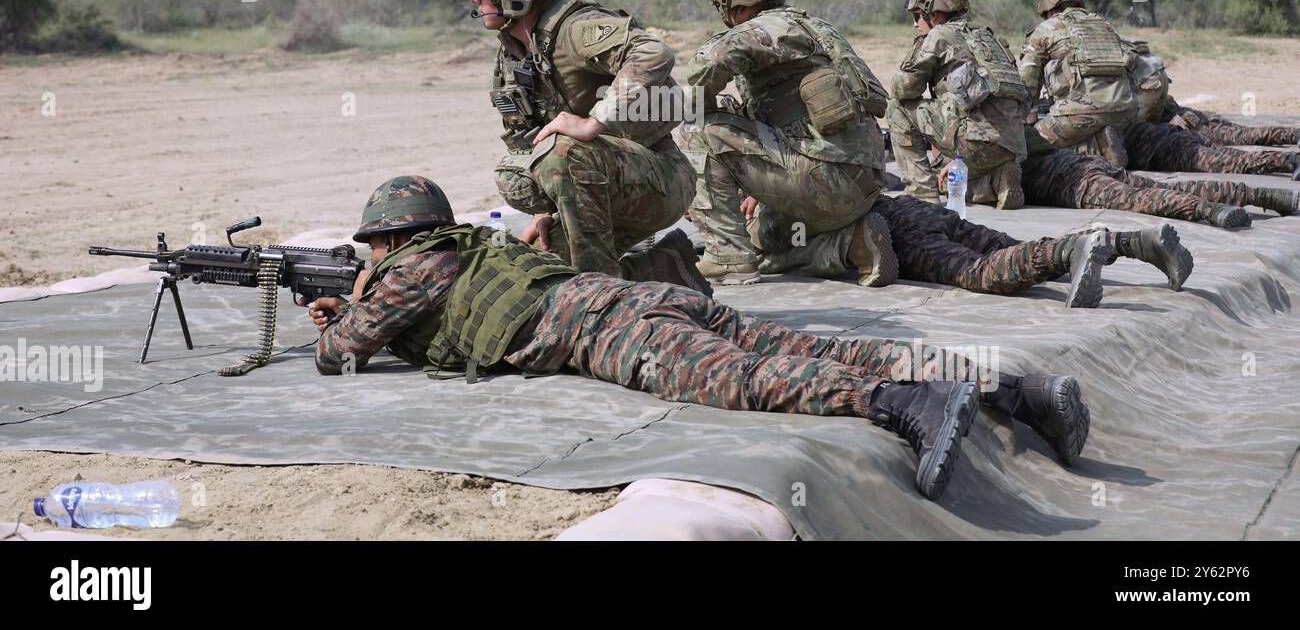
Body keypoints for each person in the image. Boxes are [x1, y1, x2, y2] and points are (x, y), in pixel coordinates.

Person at [307, 174, 1094, 500]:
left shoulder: (411, 270)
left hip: (604, 326)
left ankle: (904, 402)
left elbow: (339, 354)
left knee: (743, 381)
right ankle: (1014, 389)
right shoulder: (477, 247)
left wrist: (341, 317)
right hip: (630, 295)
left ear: (391, 240)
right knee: (814, 347)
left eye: (373, 249)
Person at [431, 0, 701, 287]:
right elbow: (527, 139)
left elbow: (653, 52)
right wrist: (543, 211)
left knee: (565, 152)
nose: (473, 1)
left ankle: (600, 299)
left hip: (661, 178)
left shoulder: (575, 29)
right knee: (535, 272)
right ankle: (665, 270)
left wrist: (594, 123)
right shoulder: (512, 54)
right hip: (599, 188)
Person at [683, 0, 896, 287]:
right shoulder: (813, 26)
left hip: (823, 179)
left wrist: (690, 163)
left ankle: (726, 260)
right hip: (858, 185)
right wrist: (758, 181)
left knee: (694, 129)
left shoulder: (770, 27)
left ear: (736, 1)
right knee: (761, 238)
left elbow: (706, 66)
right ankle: (849, 245)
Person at [869, 192, 1195, 307]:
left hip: (897, 227)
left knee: (981, 272)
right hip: (913, 207)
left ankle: (1072, 250)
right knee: (1016, 250)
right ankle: (1134, 241)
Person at [887, 0, 1029, 208]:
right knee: (955, 180)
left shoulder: (939, 35)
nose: (915, 24)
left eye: (916, 16)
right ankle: (998, 179)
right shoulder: (988, 37)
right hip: (1012, 146)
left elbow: (904, 89)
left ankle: (921, 195)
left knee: (897, 109)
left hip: (973, 142)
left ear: (933, 14)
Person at [1021, 149, 1299, 228]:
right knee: (1164, 186)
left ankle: (1211, 210)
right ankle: (1264, 195)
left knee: (1139, 199)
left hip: (1071, 179)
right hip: (1081, 160)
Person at [1019, 0, 1138, 167]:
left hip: (1077, 114)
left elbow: (1027, 83)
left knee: (1023, 146)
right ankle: (1103, 142)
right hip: (1123, 111)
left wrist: (1024, 124)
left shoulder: (1047, 28)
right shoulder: (1105, 25)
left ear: (1049, 11)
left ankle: (1091, 149)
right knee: (1085, 128)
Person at [1126, 39, 1299, 147]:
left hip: (1174, 121)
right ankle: (1292, 135)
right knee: (1238, 132)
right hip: (1176, 111)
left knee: (1237, 135)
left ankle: (1293, 136)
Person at [1123, 119, 1300, 180]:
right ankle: (1291, 160)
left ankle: (1292, 161)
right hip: (1176, 134)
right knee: (1235, 156)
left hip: (1172, 147)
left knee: (1232, 161)